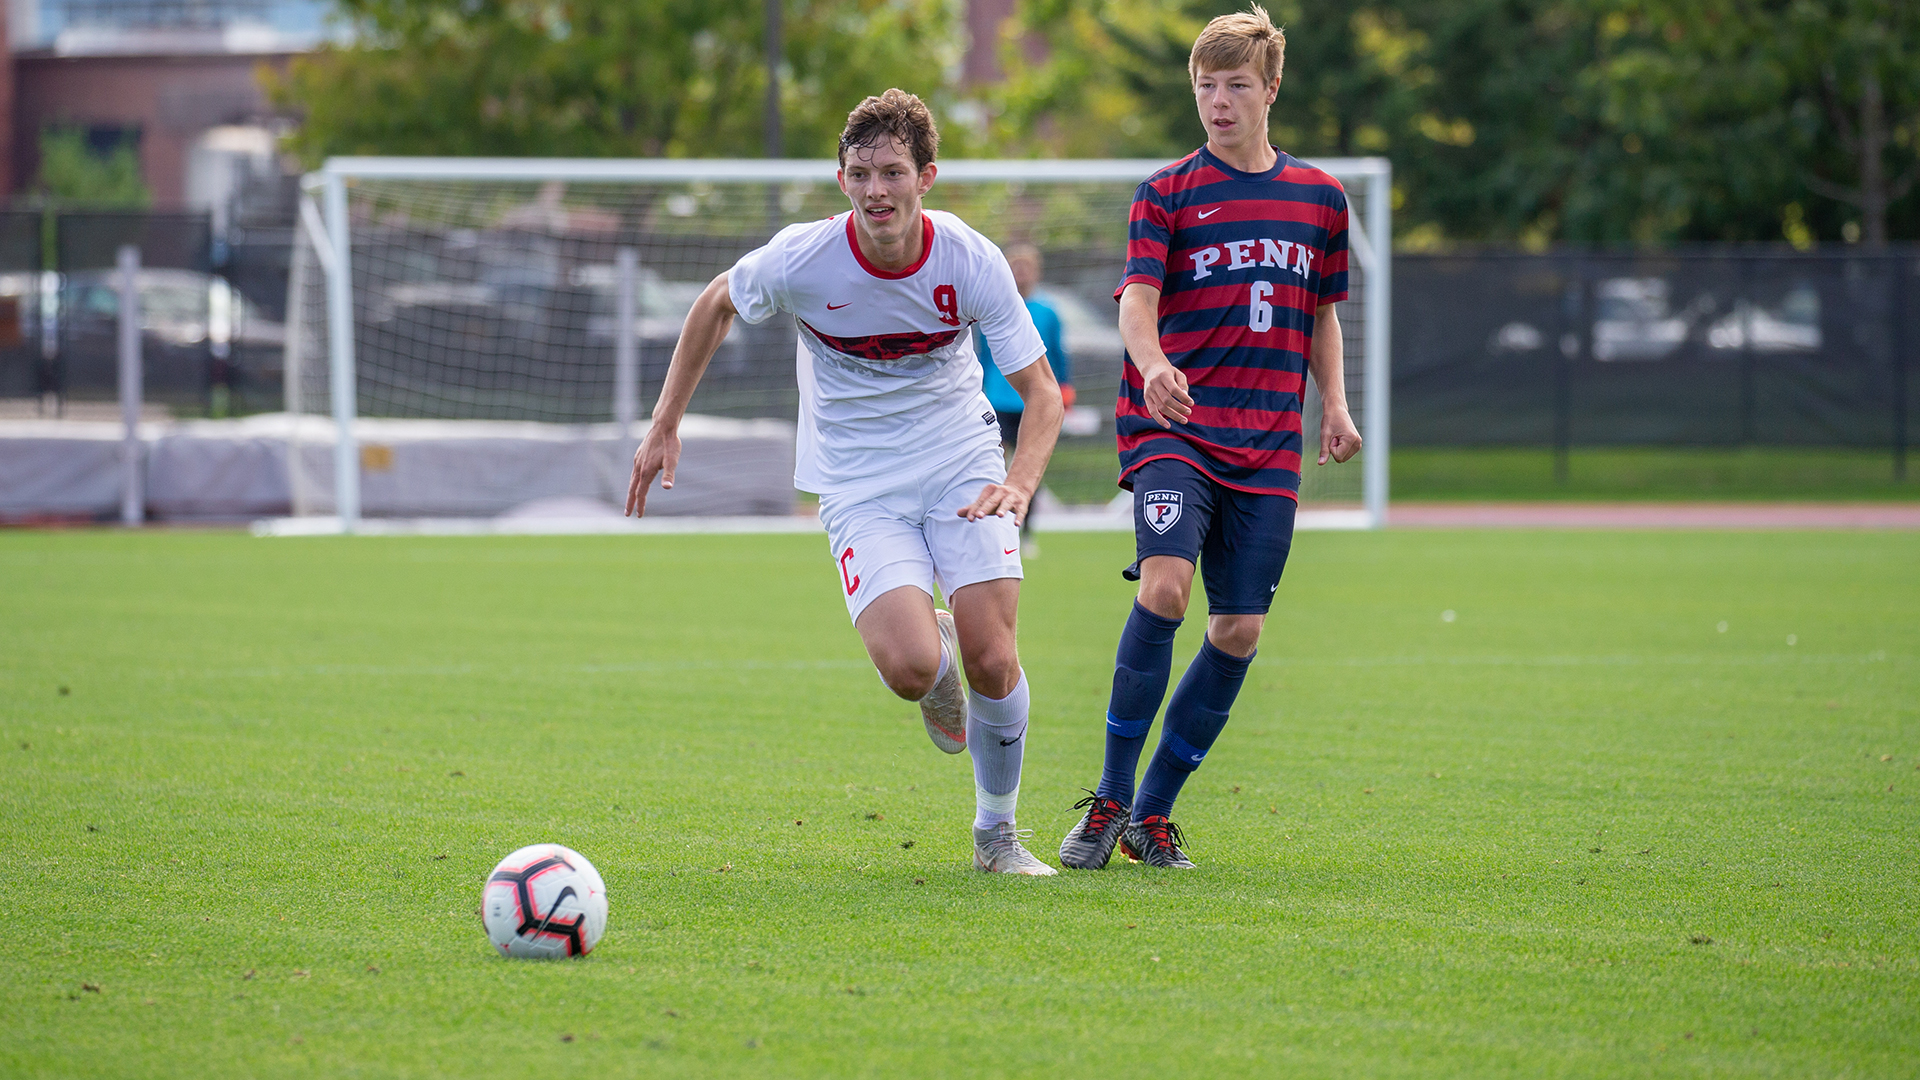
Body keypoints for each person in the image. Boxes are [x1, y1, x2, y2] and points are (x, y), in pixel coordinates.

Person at [626, 89, 1066, 876]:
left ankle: (996, 836)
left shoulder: (969, 259)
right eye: (860, 173)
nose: (876, 191)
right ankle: (930, 655)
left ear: (927, 176)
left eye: (893, 172)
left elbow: (1040, 394)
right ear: (841, 179)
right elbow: (714, 303)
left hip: (962, 461)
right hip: (858, 481)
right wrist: (665, 422)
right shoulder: (803, 257)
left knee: (993, 659)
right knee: (909, 671)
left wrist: (1021, 481)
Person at [1057, 5, 1360, 870]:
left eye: (1234, 86)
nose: (1218, 101)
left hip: (1269, 443)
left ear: (1270, 89)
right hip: (1175, 428)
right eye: (1205, 86)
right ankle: (1109, 799)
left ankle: (1152, 818)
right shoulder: (1166, 191)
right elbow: (1135, 302)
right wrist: (1151, 365)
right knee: (1164, 591)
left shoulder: (1320, 199)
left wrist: (1333, 406)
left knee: (1238, 634)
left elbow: (1322, 316)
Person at [973, 244, 1073, 553]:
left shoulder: (1048, 312)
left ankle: (1024, 530)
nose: (1021, 273)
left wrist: (1064, 386)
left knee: (1028, 465)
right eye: (1015, 266)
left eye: (1026, 267)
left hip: (1032, 402)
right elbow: (983, 355)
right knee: (993, 464)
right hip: (998, 398)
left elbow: (1056, 353)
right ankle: (992, 531)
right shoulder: (993, 306)